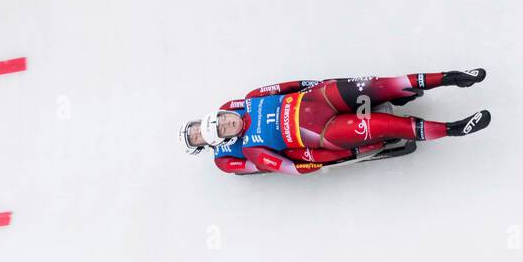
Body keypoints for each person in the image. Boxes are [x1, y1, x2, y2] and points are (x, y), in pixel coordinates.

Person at [179, 70, 490, 174]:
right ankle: (453, 129)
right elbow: (292, 167)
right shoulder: (250, 152)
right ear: (220, 141)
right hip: (322, 133)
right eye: (221, 130)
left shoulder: (247, 100)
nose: (227, 123)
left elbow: (286, 86)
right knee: (387, 126)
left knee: (381, 85)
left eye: (220, 120)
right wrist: (338, 157)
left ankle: (451, 77)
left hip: (320, 99)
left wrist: (318, 84)